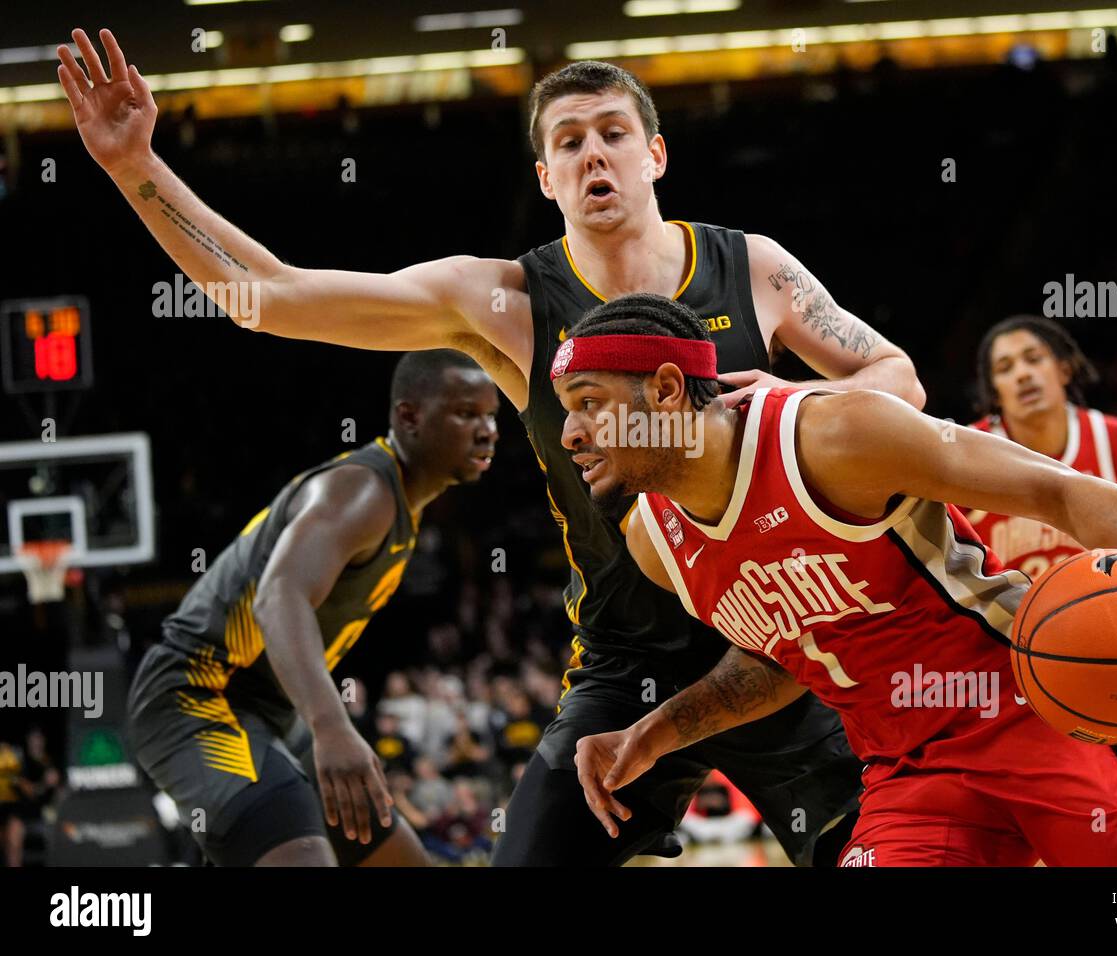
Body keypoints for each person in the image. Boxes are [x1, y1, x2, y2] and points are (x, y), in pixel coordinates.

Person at [60, 28, 926, 866]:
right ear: (546, 177)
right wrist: (136, 168)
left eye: (614, 134)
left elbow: (898, 376)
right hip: (628, 668)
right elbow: (268, 295)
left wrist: (789, 401)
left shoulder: (756, 268)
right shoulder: (506, 302)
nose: (595, 154)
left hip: (775, 650)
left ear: (654, 155)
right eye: (571, 141)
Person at [554, 292, 1117, 866]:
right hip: (907, 770)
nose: (570, 433)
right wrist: (653, 733)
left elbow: (1055, 491)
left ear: (669, 388)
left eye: (588, 401)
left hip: (1031, 707)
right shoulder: (655, 544)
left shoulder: (832, 436)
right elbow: (784, 655)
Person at [126, 350, 499, 866]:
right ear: (409, 417)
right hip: (196, 694)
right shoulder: (363, 491)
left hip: (271, 708)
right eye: (466, 413)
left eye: (491, 415)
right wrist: (331, 725)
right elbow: (278, 597)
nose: (486, 431)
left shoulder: (403, 508)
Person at [966, 316, 1117, 579]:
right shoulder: (970, 452)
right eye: (1005, 368)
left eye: (1034, 359)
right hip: (1007, 617)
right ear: (994, 393)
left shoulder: (1116, 440)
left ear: (1064, 371)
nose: (1023, 374)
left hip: (1107, 609)